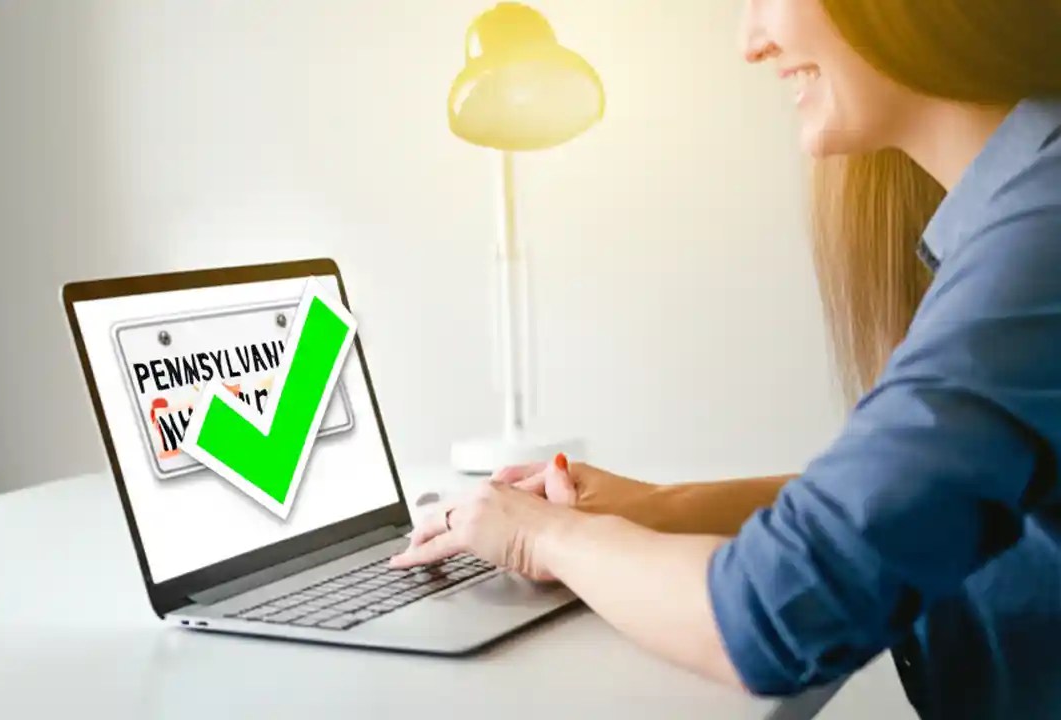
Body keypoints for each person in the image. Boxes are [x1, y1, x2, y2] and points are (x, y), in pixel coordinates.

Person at [391, 1, 1061, 717]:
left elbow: (780, 610)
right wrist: (655, 508)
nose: (751, 42)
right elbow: (900, 505)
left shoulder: (1040, 239)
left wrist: (541, 536)